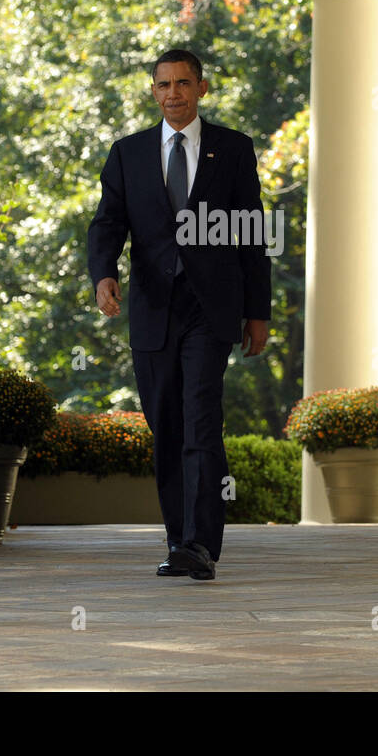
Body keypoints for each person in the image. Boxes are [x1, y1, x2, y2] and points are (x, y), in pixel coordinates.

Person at [87, 49, 270, 581]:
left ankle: (200, 545)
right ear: (154, 91)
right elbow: (107, 224)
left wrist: (256, 312)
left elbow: (252, 234)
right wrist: (103, 274)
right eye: (164, 85)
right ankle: (178, 540)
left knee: (200, 422)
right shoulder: (128, 154)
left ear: (202, 89)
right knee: (166, 427)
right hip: (152, 310)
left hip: (210, 311)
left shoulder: (232, 150)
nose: (174, 94)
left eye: (184, 83)